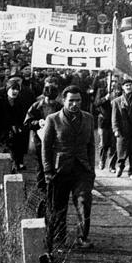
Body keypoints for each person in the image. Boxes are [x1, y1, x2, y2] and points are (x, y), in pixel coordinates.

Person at [42, 85, 96, 250]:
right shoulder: (53, 119)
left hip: (82, 169)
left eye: (78, 100)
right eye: (71, 101)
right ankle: (59, 240)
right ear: (63, 101)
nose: (75, 104)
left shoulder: (88, 118)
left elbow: (91, 146)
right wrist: (48, 170)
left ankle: (82, 237)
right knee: (59, 206)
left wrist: (91, 170)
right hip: (60, 169)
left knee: (84, 202)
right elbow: (46, 146)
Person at [24, 80, 63, 192]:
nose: (50, 102)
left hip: (55, 141)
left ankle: (52, 188)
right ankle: (41, 189)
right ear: (44, 96)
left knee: (54, 165)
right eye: (48, 99)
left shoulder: (59, 107)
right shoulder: (36, 106)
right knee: (41, 166)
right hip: (40, 141)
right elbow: (27, 123)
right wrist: (38, 123)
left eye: (53, 100)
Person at [0, 78, 29, 170]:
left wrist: (18, 127)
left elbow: (21, 120)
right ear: (8, 89)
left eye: (17, 89)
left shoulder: (19, 104)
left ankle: (17, 163)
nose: (15, 91)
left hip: (14, 134)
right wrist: (2, 130)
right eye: (13, 89)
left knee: (19, 139)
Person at [112, 78, 132, 179]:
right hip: (123, 130)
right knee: (121, 151)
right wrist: (116, 129)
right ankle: (120, 167)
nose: (129, 87)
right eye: (126, 85)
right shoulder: (117, 101)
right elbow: (114, 117)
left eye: (130, 85)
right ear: (123, 87)